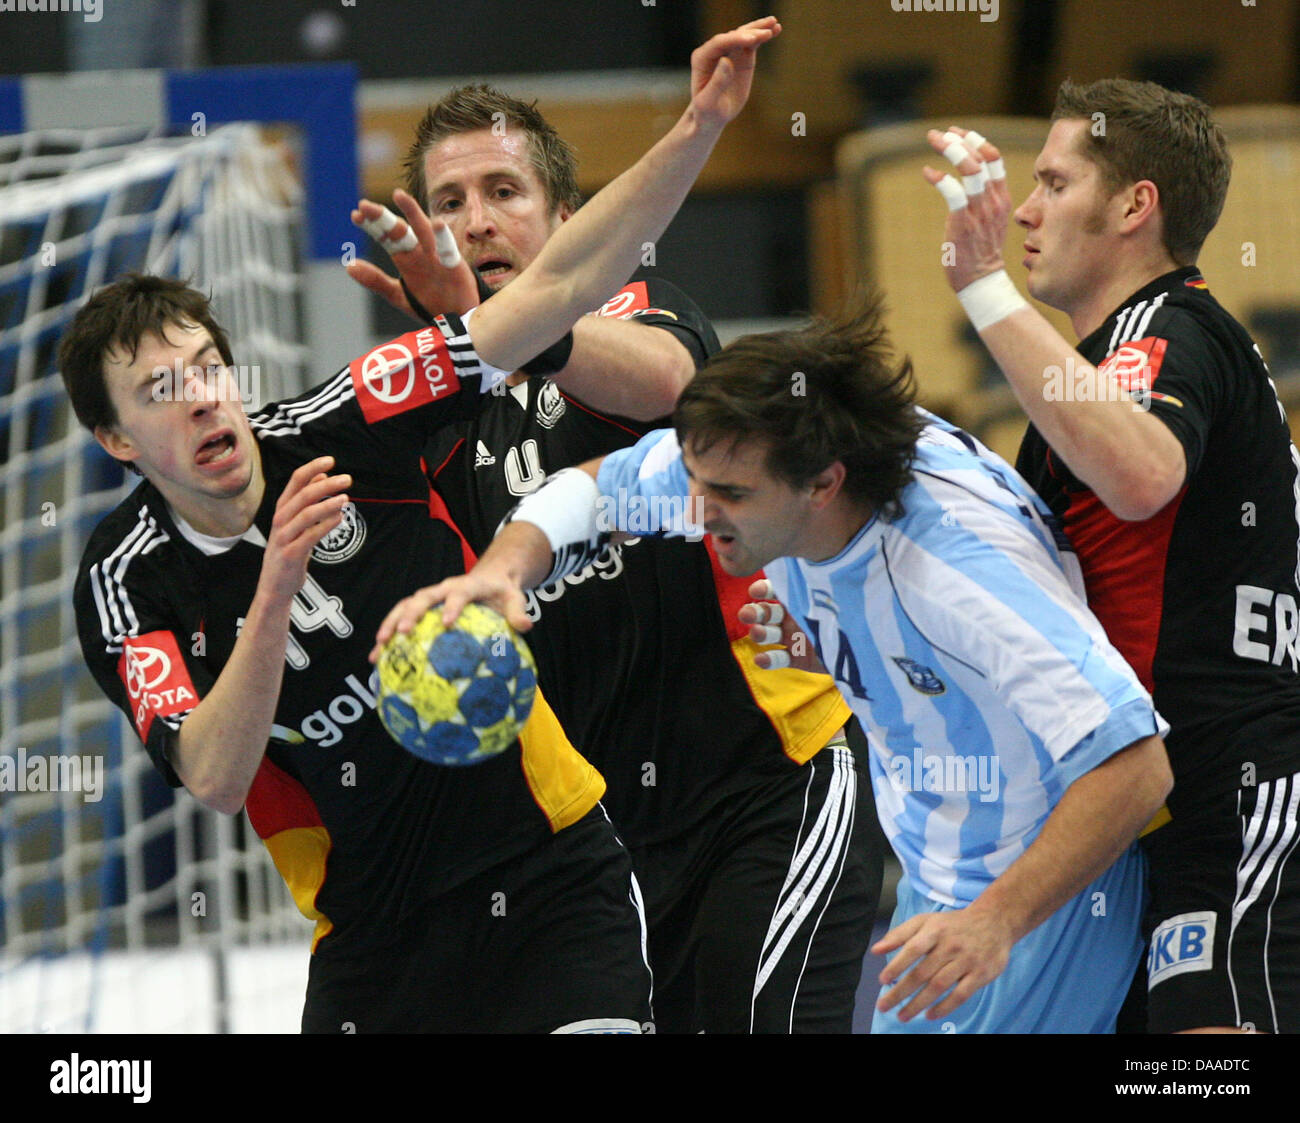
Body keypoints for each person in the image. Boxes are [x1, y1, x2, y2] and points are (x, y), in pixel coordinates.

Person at [66, 18, 777, 1033]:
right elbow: (215, 775)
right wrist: (275, 584)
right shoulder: (125, 579)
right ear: (116, 440)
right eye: (159, 392)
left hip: (551, 877)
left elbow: (559, 292)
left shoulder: (345, 423)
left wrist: (698, 125)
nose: (201, 400)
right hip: (373, 940)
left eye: (208, 370)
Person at [373, 294, 1175, 1034]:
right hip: (943, 881)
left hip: (1041, 898)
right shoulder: (775, 461)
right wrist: (500, 572)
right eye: (696, 482)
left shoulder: (953, 565)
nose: (700, 510)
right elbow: (597, 491)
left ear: (823, 484)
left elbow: (1136, 764)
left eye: (728, 494)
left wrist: (996, 920)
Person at [345, 77, 882, 1033]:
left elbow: (673, 385)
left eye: (503, 192)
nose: (476, 222)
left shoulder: (640, 309)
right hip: (609, 849)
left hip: (768, 779)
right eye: (449, 202)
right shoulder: (433, 422)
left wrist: (512, 331)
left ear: (570, 219)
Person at [928, 80, 1300, 1034]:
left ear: (1137, 205)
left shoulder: (1163, 329)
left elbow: (1142, 474)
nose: (1025, 210)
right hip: (1150, 812)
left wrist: (982, 286)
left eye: (1055, 182)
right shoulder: (1098, 379)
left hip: (1235, 789)